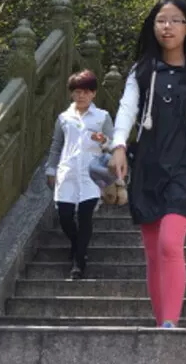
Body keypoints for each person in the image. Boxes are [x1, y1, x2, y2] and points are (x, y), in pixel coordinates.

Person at [108, 0, 186, 329]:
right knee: (152, 251)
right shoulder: (142, 71)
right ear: (153, 26)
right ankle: (162, 324)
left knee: (169, 242)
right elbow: (127, 108)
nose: (167, 26)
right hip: (148, 165)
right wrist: (118, 144)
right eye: (161, 20)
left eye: (175, 20)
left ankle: (170, 324)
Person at [46, 69, 114, 279]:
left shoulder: (102, 116)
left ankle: (79, 263)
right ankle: (77, 245)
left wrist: (103, 141)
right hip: (67, 171)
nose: (81, 95)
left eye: (85, 91)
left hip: (92, 174)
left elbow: (113, 146)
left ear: (93, 93)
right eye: (77, 91)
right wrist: (51, 169)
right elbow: (57, 145)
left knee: (85, 217)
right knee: (65, 216)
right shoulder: (64, 118)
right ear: (71, 94)